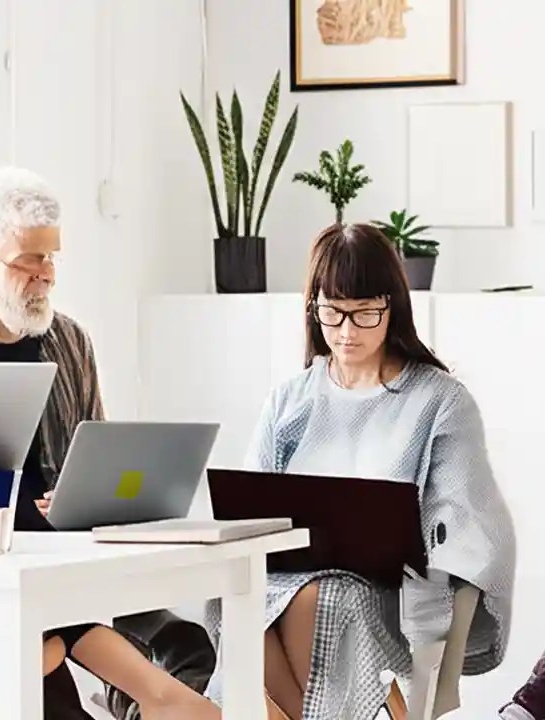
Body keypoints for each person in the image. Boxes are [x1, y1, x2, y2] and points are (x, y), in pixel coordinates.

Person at [0, 166, 218, 720]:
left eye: (52, 258)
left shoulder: (69, 341)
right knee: (37, 633)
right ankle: (154, 695)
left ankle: (148, 694)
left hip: (68, 554)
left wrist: (81, 497)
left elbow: (101, 457)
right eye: (30, 261)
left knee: (184, 643)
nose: (47, 275)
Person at [204, 223, 516, 720]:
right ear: (314, 307)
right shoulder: (290, 400)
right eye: (333, 312)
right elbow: (250, 511)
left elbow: (472, 527)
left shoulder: (440, 401)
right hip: (288, 581)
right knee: (233, 602)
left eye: (365, 313)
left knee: (325, 595)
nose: (347, 331)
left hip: (391, 594)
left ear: (393, 307)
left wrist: (443, 605)